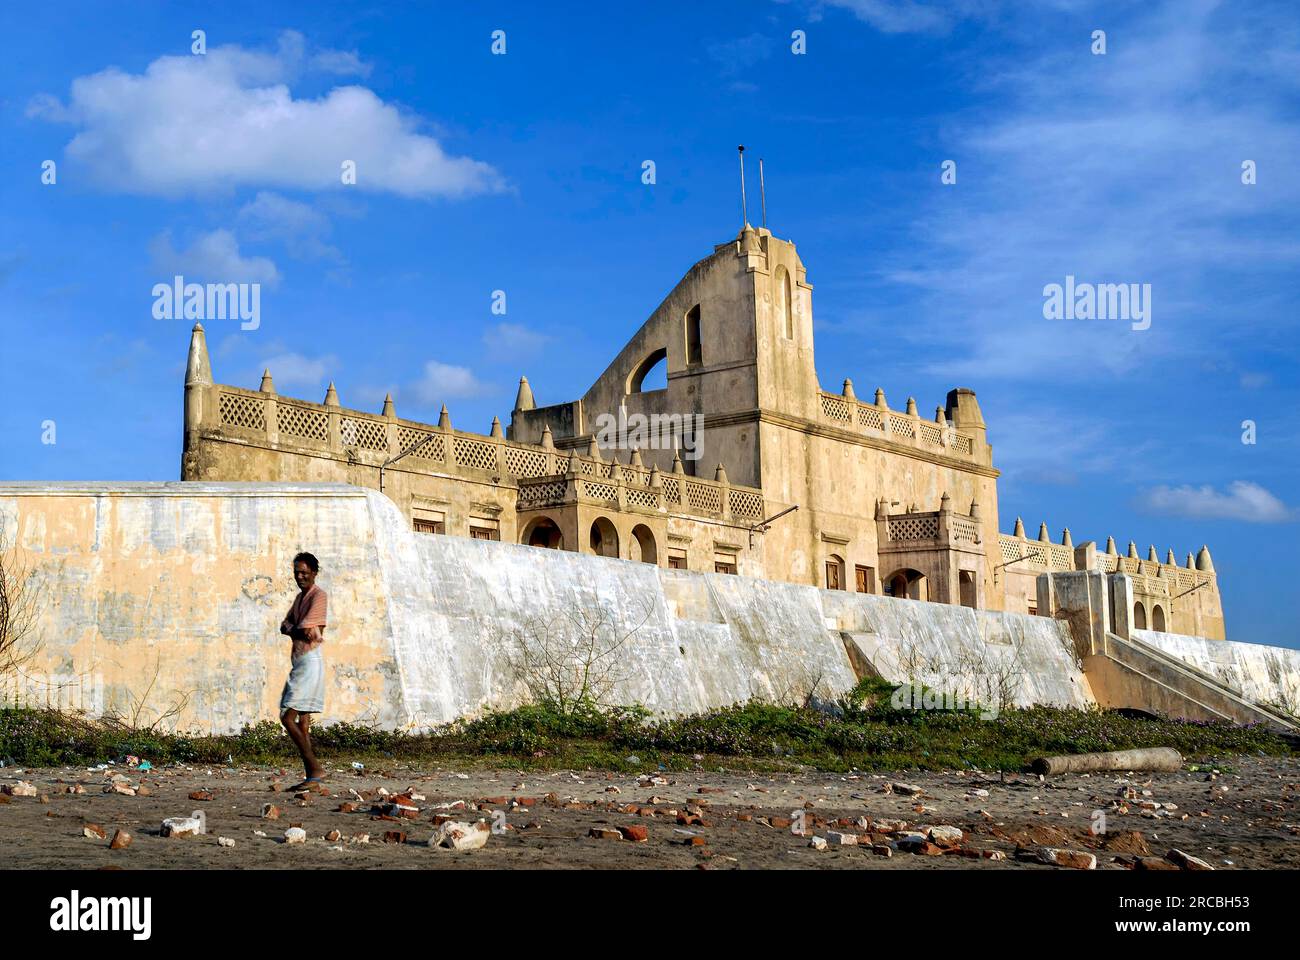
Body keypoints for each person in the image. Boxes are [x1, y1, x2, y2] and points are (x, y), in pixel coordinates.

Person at [279, 551, 328, 791]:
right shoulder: (300, 598)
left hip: (310, 660)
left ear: (314, 573)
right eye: (297, 572)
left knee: (287, 716)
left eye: (305, 573)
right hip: (300, 660)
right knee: (303, 721)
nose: (300, 576)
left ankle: (315, 768)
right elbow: (286, 625)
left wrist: (295, 628)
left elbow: (305, 627)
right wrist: (295, 629)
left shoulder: (319, 596)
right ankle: (312, 778)